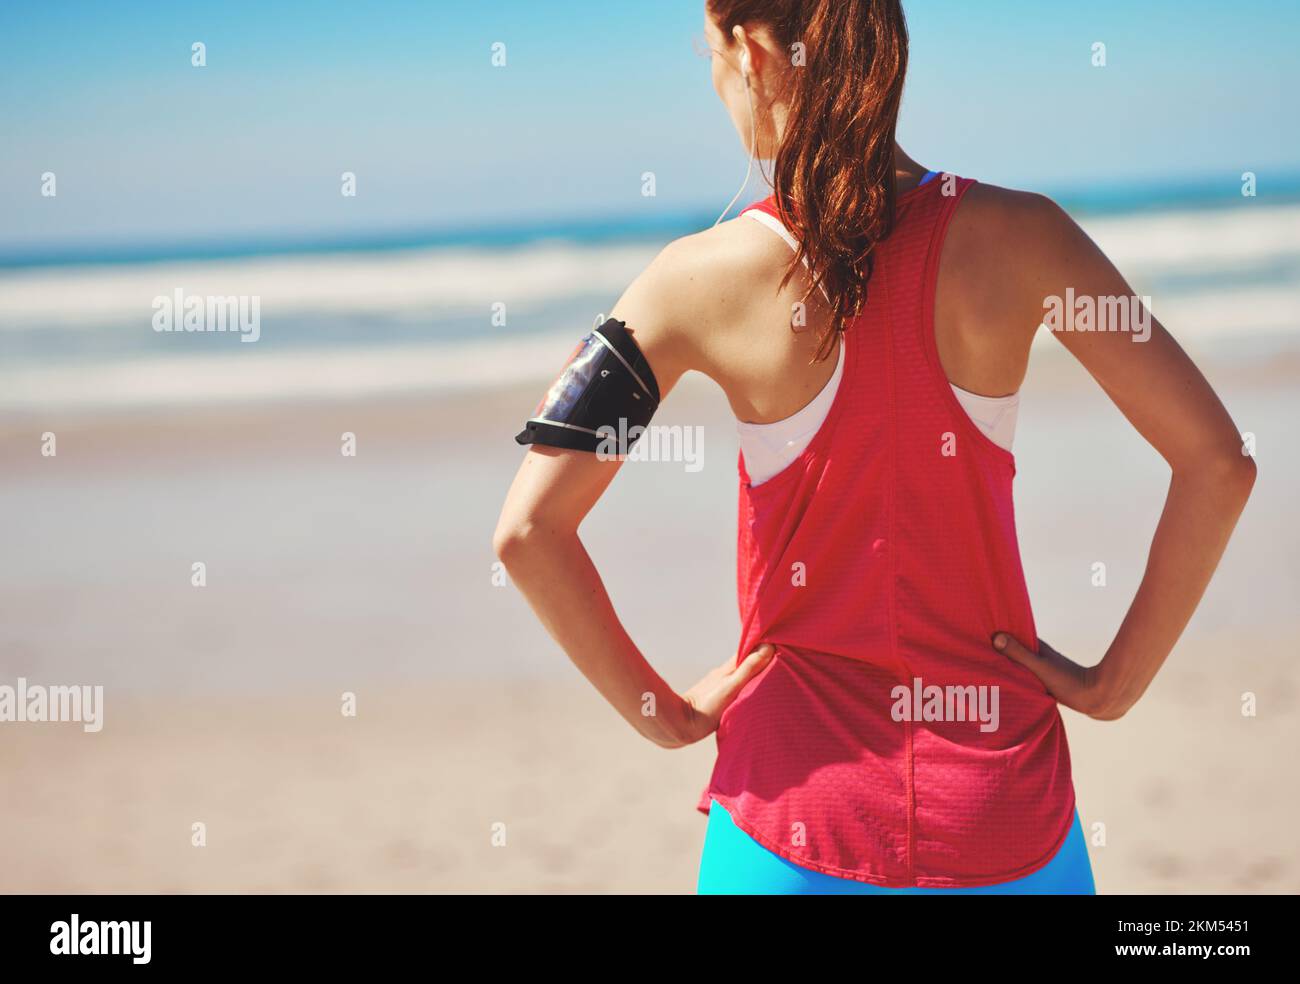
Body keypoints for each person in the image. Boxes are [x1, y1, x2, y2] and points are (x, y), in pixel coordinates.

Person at [493, 0, 1256, 893]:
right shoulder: (1027, 238)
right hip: (1006, 814)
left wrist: (662, 712)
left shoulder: (693, 279)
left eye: (706, 53)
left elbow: (529, 532)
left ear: (747, 50)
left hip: (791, 816)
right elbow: (1218, 463)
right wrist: (1115, 683)